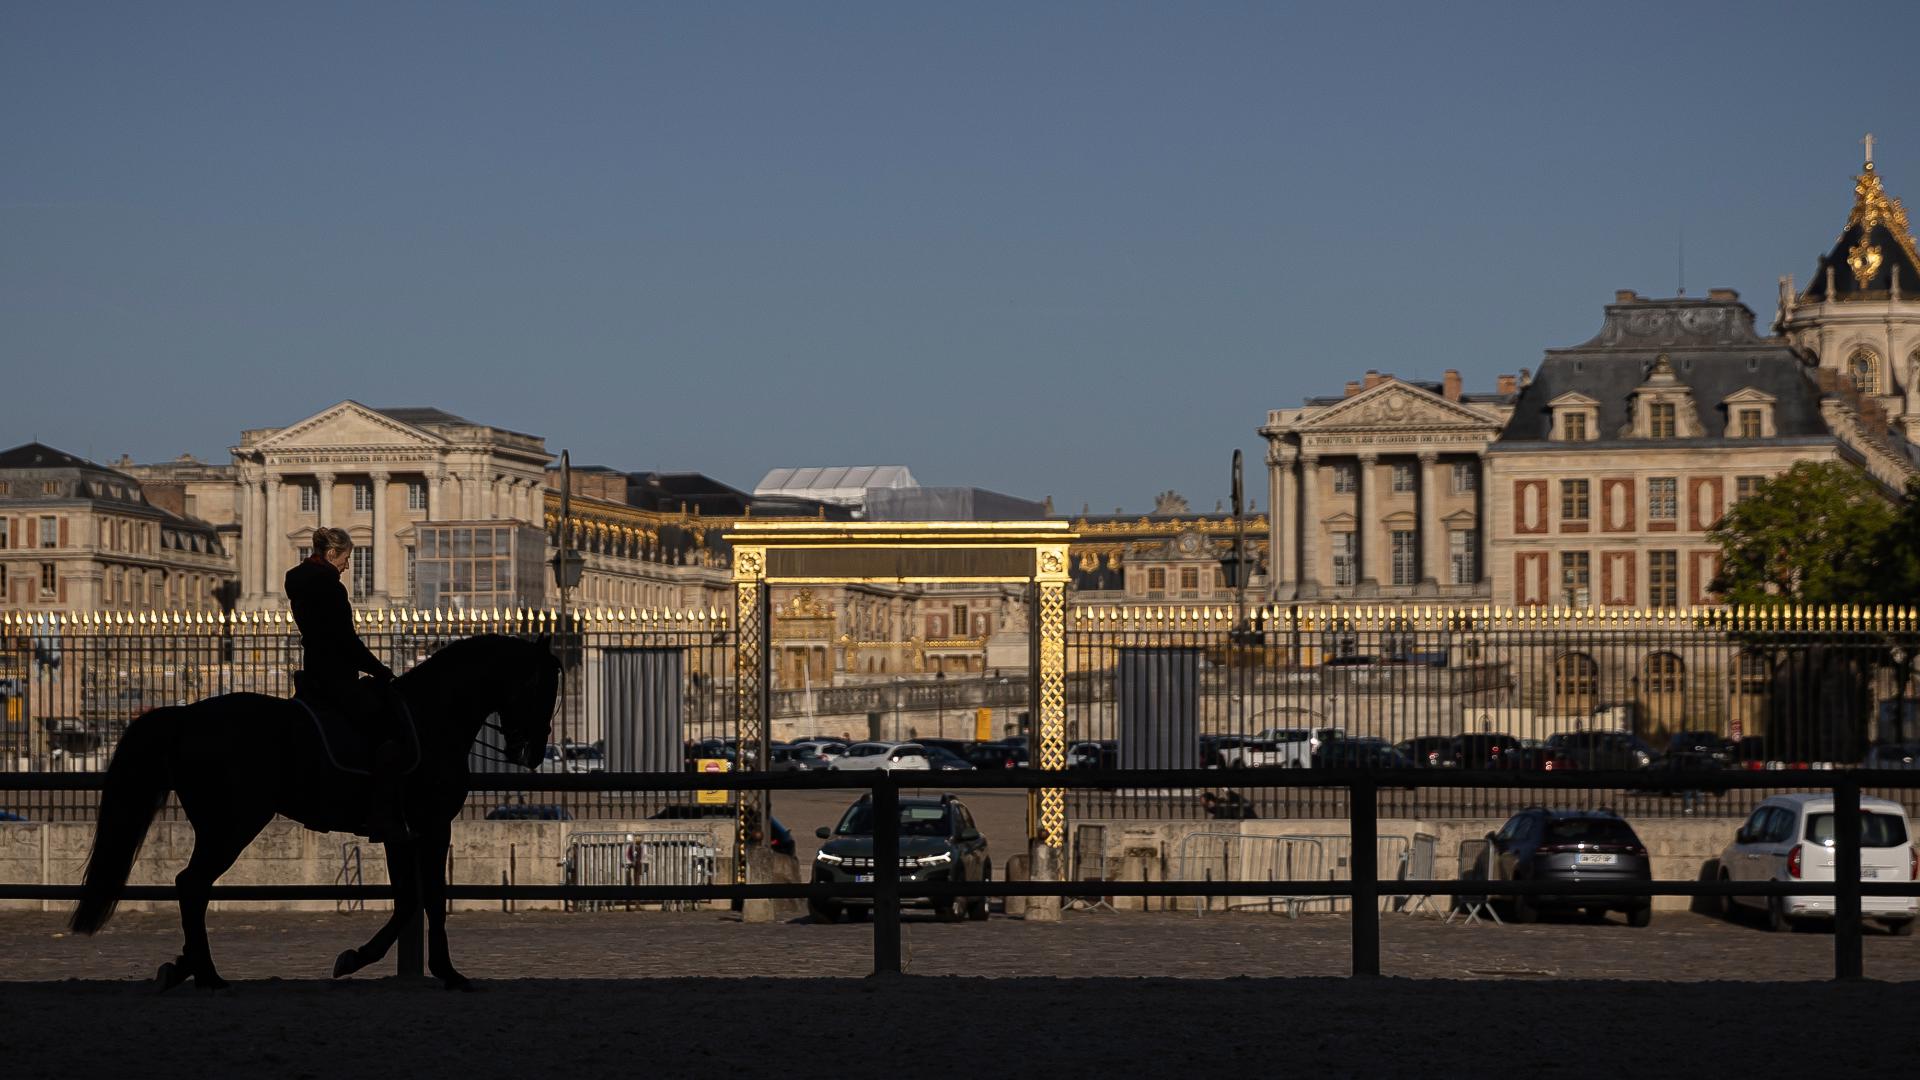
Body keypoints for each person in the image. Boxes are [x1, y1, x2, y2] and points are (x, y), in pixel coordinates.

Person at [286, 527, 410, 841]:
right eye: (346, 558)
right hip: (336, 677)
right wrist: (379, 669)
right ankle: (381, 813)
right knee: (388, 730)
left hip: (313, 674)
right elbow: (344, 640)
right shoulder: (329, 587)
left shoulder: (298, 580)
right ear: (331, 555)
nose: (348, 566)